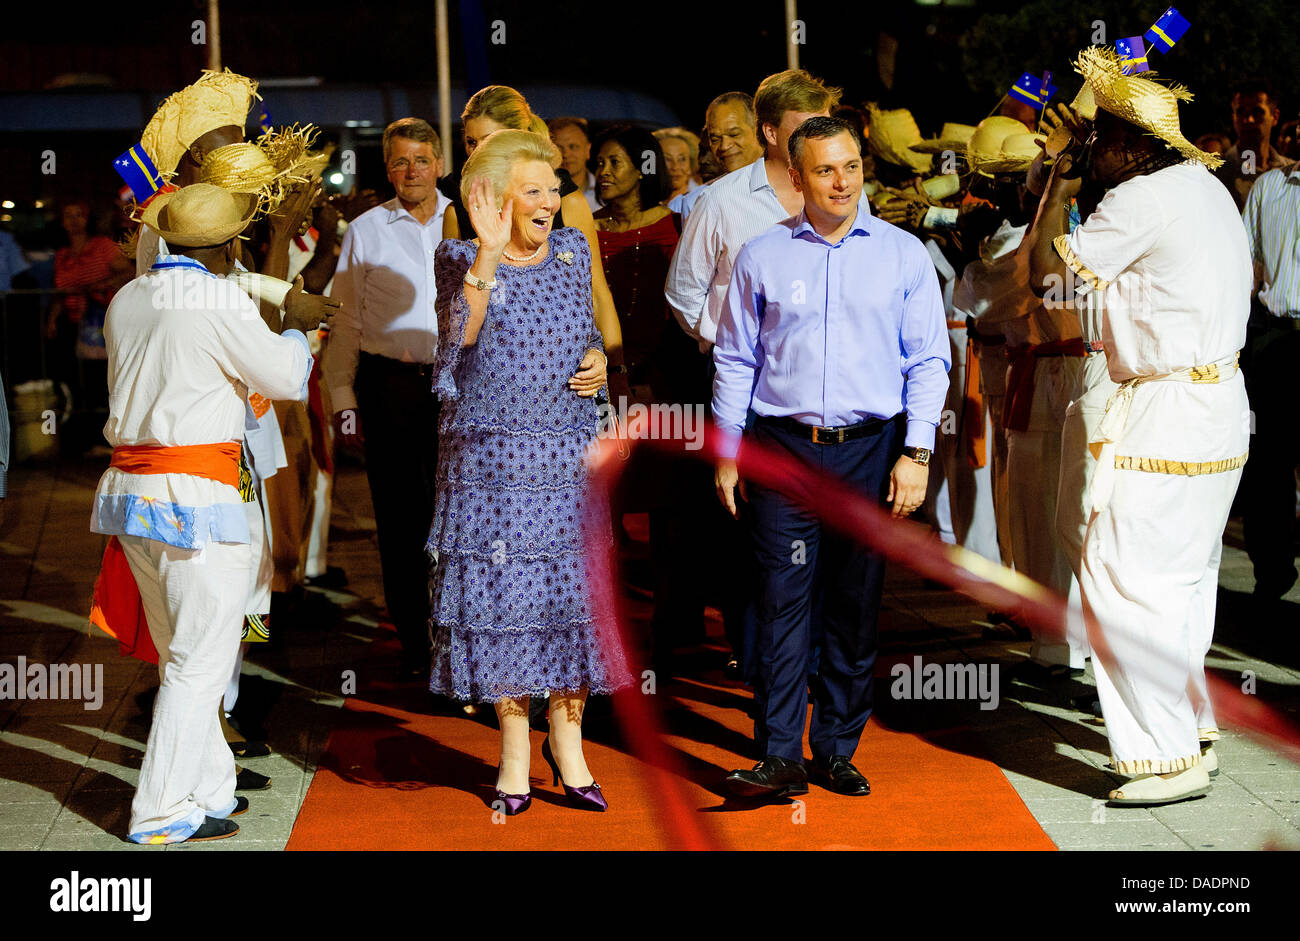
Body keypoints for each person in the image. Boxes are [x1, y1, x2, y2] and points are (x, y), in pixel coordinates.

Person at [1028, 47, 1251, 805]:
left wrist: (1058, 173)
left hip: (1167, 409)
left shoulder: (1141, 198)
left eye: (1099, 139)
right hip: (1216, 405)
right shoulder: (1208, 188)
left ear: (1134, 145)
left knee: (1121, 579)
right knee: (1180, 581)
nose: (1090, 148)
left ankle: (1165, 755)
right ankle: (1191, 730)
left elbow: (1047, 276)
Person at [714, 116, 949, 799]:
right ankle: (780, 752)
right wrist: (729, 451)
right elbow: (735, 357)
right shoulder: (762, 255)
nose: (841, 181)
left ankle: (836, 746)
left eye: (850, 166)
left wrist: (918, 450)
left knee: (854, 601)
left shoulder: (904, 255)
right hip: (782, 449)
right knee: (781, 600)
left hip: (872, 451)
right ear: (797, 177)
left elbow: (930, 359)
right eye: (824, 169)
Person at [89, 183, 329, 842]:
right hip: (195, 494)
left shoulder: (129, 296)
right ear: (229, 245)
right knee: (199, 661)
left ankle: (207, 790)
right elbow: (281, 378)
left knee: (182, 657)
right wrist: (299, 324)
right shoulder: (220, 297)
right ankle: (161, 812)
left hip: (132, 495)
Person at [429, 129, 631, 814]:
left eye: (555, 187)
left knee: (570, 599)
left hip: (566, 456)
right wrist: (487, 252)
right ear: (494, 198)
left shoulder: (574, 250)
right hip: (493, 466)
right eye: (535, 189)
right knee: (509, 606)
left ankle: (569, 744)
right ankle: (515, 750)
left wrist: (599, 361)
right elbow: (460, 338)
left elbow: (586, 330)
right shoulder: (460, 258)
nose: (551, 200)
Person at [323, 117, 450, 679]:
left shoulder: (468, 219)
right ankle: (419, 655)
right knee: (401, 522)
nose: (411, 170)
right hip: (390, 388)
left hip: (459, 389)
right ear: (387, 168)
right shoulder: (366, 229)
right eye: (399, 161)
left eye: (421, 159)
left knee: (461, 520)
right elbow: (345, 319)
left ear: (440, 163)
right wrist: (343, 398)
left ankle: (461, 643)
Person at [591, 124, 711, 664]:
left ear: (644, 165)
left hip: (669, 382)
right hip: (601, 384)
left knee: (674, 512)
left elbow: (689, 303)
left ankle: (678, 628)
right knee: (602, 508)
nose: (603, 172)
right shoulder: (583, 230)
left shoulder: (678, 222)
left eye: (614, 161)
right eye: (599, 162)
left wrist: (648, 372)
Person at [441, 86, 626, 382]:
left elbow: (598, 294)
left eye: (490, 141)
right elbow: (453, 327)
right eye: (470, 142)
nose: (479, 153)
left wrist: (615, 372)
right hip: (495, 388)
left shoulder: (566, 203)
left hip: (572, 381)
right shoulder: (458, 214)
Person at [1239, 140, 1300, 602]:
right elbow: (1244, 265)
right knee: (1267, 464)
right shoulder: (1268, 187)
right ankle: (1271, 571)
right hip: (1274, 336)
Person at [667, 92, 765, 220]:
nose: (724, 146)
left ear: (758, 130)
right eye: (715, 139)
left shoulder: (792, 183)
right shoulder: (696, 203)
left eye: (734, 134)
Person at [1215, 79, 1288, 211]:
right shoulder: (1216, 176)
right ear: (1233, 117)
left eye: (1257, 112)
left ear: (1275, 117)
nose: (1248, 120)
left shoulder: (1291, 172)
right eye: (1241, 112)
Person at [549, 116, 600, 211]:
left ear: (588, 150)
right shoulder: (541, 196)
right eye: (558, 148)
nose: (566, 154)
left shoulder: (604, 192)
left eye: (573, 147)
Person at [654, 127, 702, 202]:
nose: (675, 167)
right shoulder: (644, 201)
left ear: (691, 163)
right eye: (667, 159)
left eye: (682, 159)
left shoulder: (702, 198)